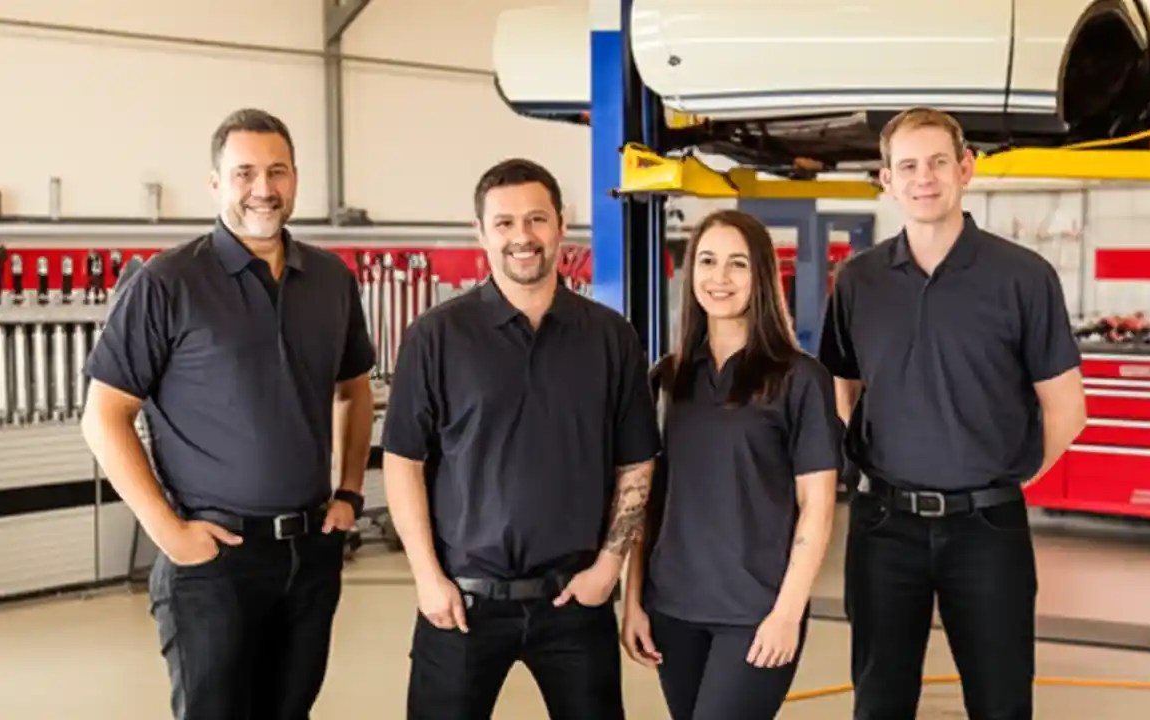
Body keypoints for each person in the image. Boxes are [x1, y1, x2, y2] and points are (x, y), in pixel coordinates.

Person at [79, 108, 376, 720]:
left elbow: (354, 388)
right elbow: (104, 416)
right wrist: (168, 532)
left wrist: (349, 491)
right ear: (216, 184)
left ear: (296, 178)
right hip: (214, 559)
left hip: (310, 553)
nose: (262, 189)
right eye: (244, 173)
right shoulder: (168, 283)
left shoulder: (329, 279)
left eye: (277, 172)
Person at [817, 107, 1088, 720]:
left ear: (966, 168)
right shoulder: (857, 281)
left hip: (987, 530)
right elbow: (842, 383)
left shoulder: (1023, 276)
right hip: (883, 525)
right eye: (907, 166)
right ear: (886, 180)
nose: (924, 178)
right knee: (879, 701)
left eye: (939, 162)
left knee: (1000, 702)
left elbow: (1067, 409)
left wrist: (998, 481)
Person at [379, 158, 661, 720]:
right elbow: (403, 461)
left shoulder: (611, 337)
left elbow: (636, 462)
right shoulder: (436, 336)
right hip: (461, 602)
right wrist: (428, 580)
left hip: (574, 602)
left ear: (561, 224)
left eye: (536, 219)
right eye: (504, 223)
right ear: (480, 233)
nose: (522, 237)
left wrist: (608, 569)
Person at [621, 209, 843, 720]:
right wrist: (633, 601)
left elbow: (817, 505)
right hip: (673, 607)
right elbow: (646, 503)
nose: (719, 278)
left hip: (756, 609)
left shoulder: (799, 379)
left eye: (737, 264)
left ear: (761, 276)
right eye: (708, 260)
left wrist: (788, 613)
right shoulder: (668, 379)